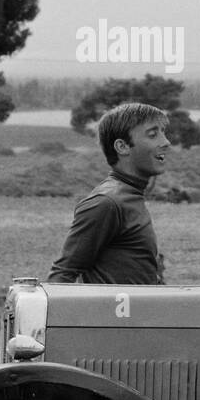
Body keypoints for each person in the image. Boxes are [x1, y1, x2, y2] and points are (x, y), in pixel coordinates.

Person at [48, 102, 169, 285]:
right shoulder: (107, 202)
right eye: (153, 135)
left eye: (163, 133)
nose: (165, 142)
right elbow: (63, 274)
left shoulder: (131, 196)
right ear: (122, 147)